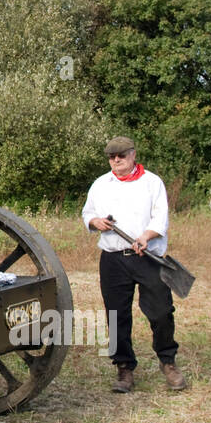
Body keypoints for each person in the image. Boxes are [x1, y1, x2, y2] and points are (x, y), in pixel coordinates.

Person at [81, 135, 187, 393]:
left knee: (161, 312)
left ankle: (168, 362)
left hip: (147, 257)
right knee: (116, 315)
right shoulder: (100, 184)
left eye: (121, 155)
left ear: (133, 155)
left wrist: (146, 237)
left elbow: (160, 218)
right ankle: (124, 368)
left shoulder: (152, 182)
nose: (116, 160)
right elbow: (87, 213)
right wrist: (95, 222)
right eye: (112, 157)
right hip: (113, 259)